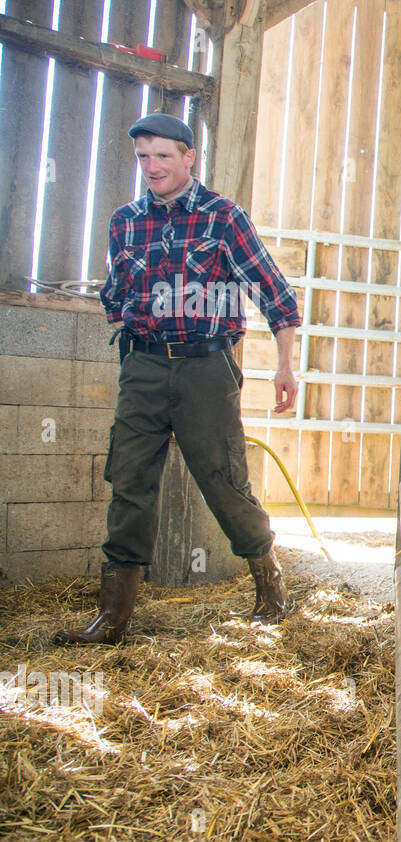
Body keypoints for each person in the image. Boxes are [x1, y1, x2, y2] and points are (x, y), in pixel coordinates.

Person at [56, 114, 301, 645]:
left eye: (163, 156)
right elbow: (115, 289)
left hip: (205, 368)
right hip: (142, 365)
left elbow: (274, 292)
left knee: (223, 480)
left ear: (189, 157)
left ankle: (271, 590)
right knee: (129, 482)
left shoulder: (222, 217)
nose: (152, 167)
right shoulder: (125, 220)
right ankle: (113, 618)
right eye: (143, 157)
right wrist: (124, 325)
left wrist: (285, 365)